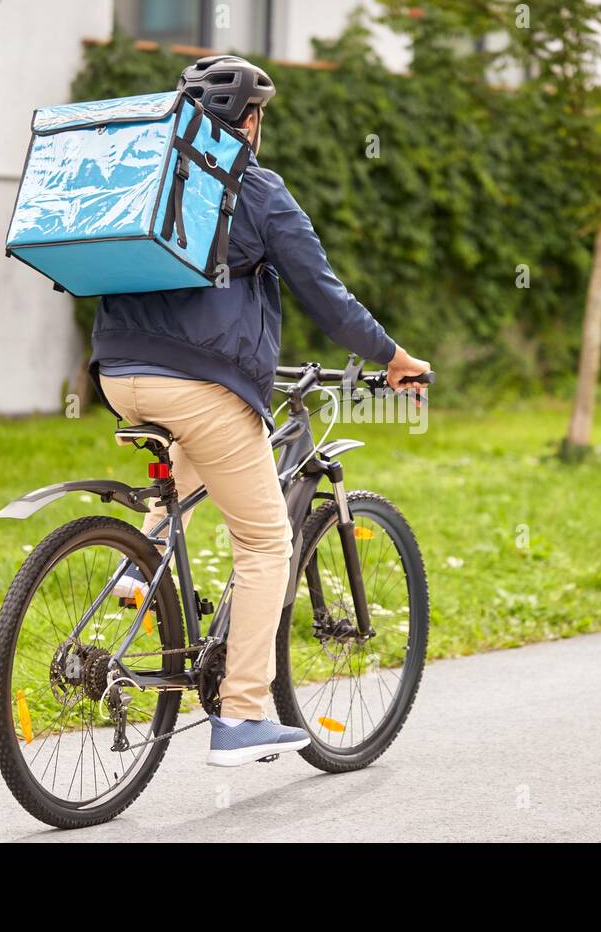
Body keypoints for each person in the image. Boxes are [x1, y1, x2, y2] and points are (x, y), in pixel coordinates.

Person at [89, 54, 431, 768]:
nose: (261, 127)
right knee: (267, 541)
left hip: (119, 373)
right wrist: (393, 357)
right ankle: (242, 716)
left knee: (191, 461)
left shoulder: (154, 176)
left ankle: (135, 566)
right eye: (260, 115)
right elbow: (325, 296)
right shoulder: (256, 189)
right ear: (246, 122)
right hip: (198, 384)